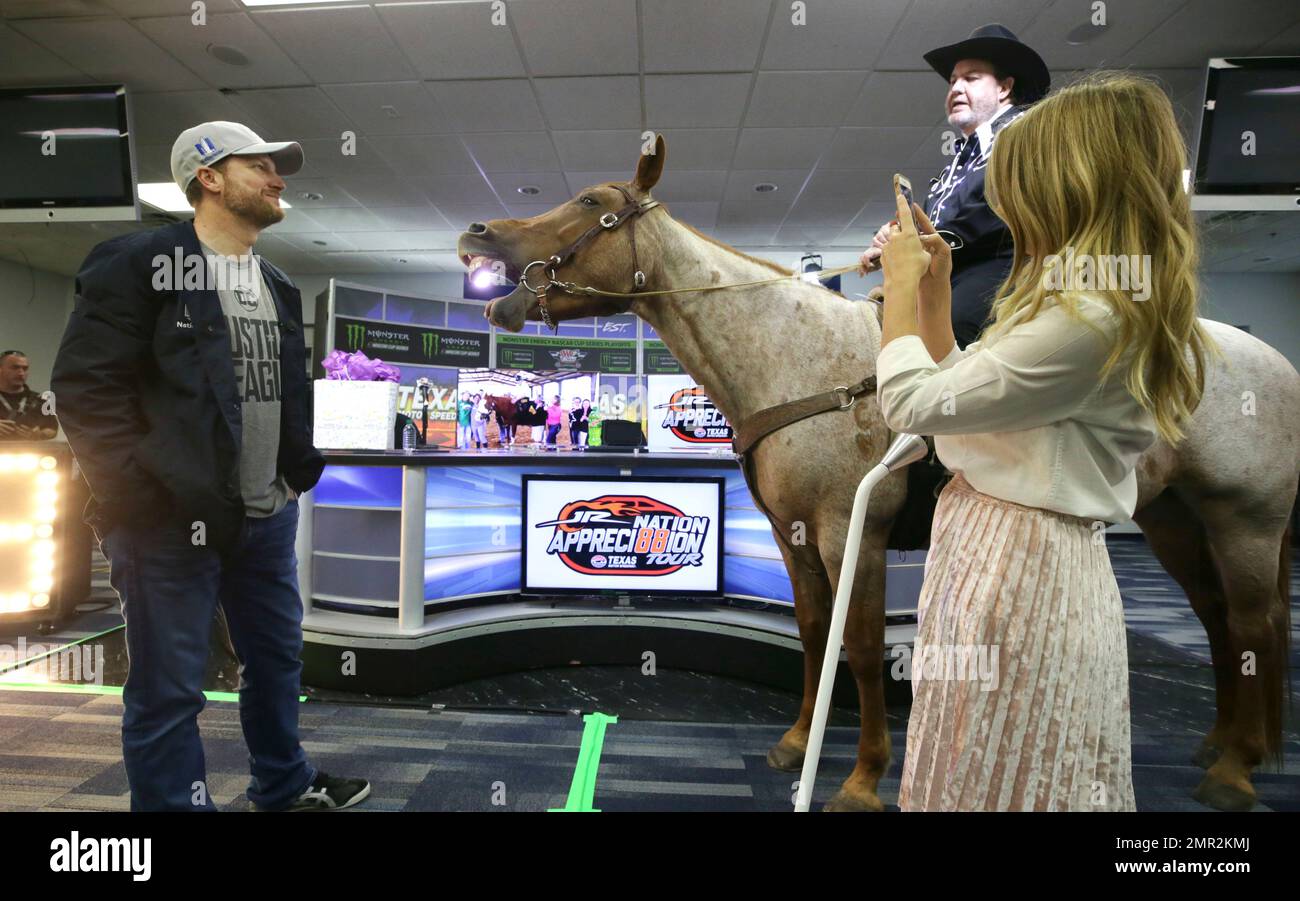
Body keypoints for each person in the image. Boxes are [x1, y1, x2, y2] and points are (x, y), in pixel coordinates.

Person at [874, 73, 1218, 811]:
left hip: (1018, 565)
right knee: (977, 755)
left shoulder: (1091, 315)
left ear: (1071, 187)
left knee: (1000, 769)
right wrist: (934, 293)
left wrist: (898, 294)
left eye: (1022, 189)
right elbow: (959, 398)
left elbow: (910, 402)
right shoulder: (1076, 301)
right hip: (995, 552)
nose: (1010, 209)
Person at [50, 121, 369, 812]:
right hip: (166, 521)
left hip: (265, 515)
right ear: (210, 177)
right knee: (170, 686)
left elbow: (286, 390)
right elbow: (85, 389)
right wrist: (137, 498)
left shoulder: (277, 283)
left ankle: (283, 782)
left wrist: (291, 476)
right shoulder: (142, 263)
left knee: (279, 664)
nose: (278, 178)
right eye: (260, 165)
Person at [860, 24, 1050, 349]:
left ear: (1004, 88)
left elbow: (991, 213)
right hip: (950, 273)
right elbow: (942, 223)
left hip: (1005, 268)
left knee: (946, 329)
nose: (955, 88)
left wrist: (915, 244)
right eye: (952, 81)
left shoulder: (1023, 135)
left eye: (971, 78)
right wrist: (896, 235)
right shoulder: (960, 158)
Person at [0, 350, 58, 440]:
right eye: (15, 368)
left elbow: (52, 428)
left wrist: (41, 434)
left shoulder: (41, 400)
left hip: (29, 452)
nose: (21, 373)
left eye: (25, 368)